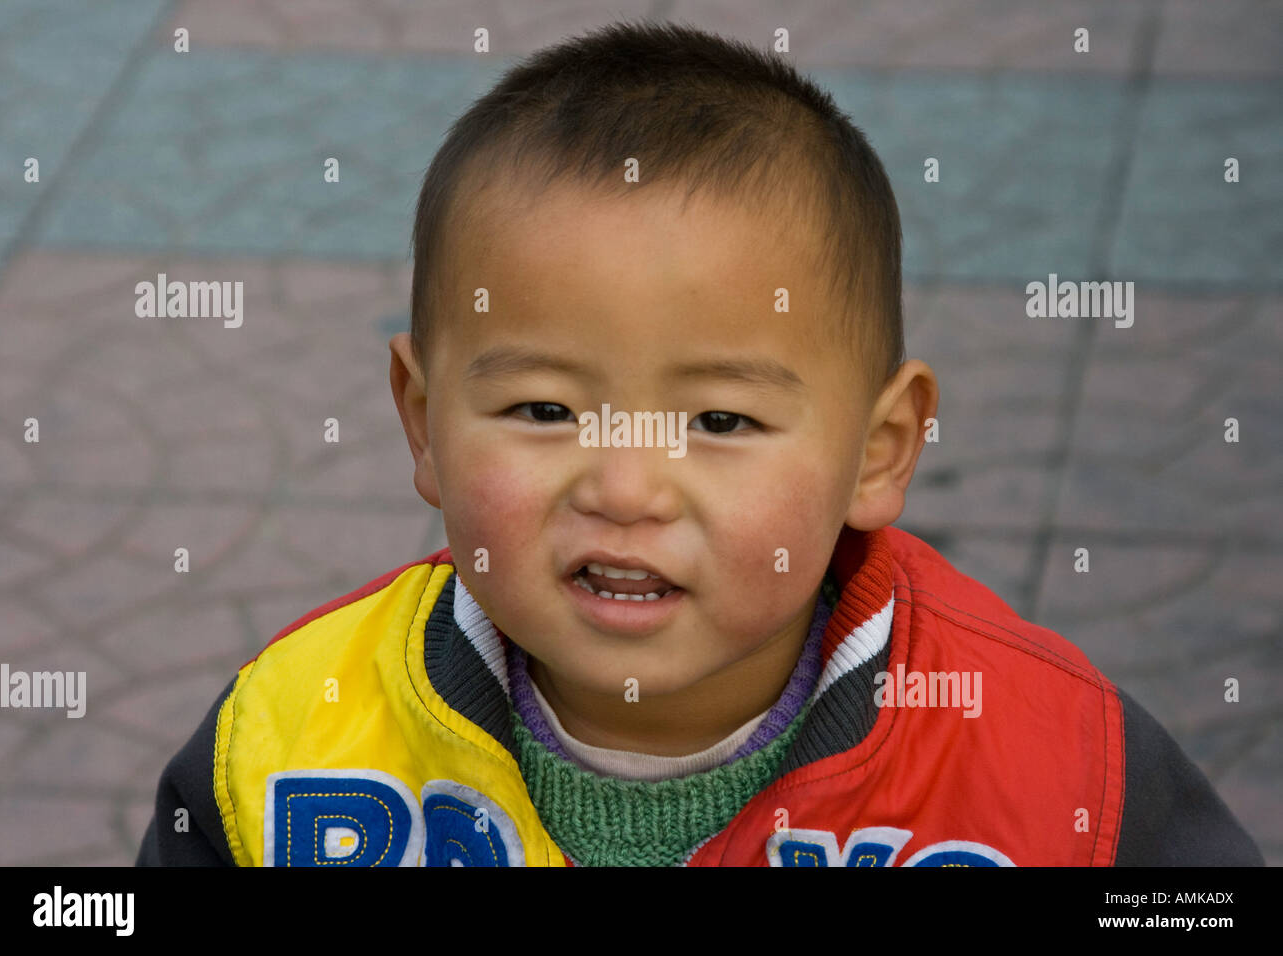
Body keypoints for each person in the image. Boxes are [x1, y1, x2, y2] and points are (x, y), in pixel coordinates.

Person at [136, 19, 1263, 867]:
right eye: (544, 410)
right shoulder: (292, 739)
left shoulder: (1048, 757)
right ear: (420, 420)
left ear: (878, 450)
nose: (625, 486)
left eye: (719, 421)